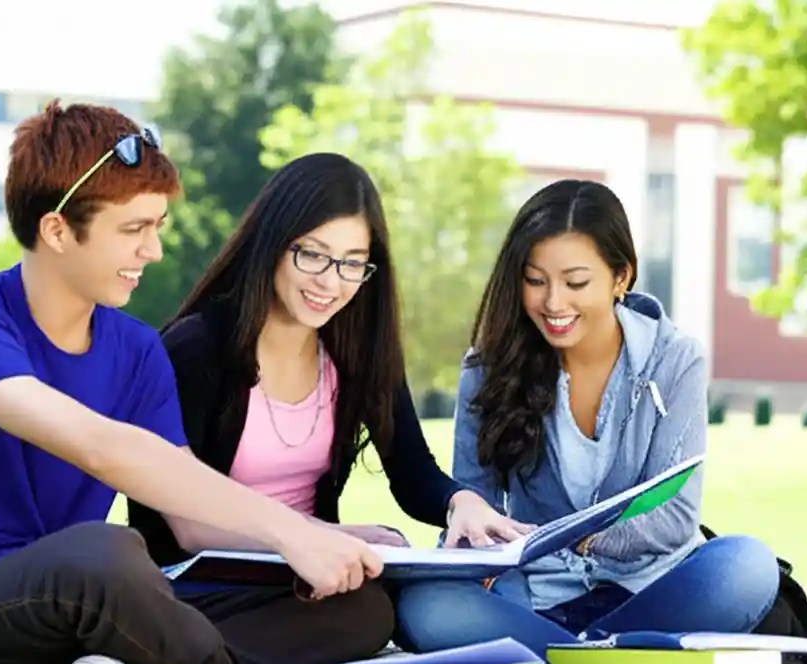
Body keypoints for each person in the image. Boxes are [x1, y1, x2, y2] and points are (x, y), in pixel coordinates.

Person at [0, 101, 387, 664]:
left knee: (359, 606)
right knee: (106, 553)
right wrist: (289, 531)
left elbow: (190, 506)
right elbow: (103, 448)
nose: (154, 251)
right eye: (134, 230)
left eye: (158, 226)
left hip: (77, 603)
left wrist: (324, 538)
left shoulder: (137, 350)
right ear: (58, 230)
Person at [126, 151, 529, 627]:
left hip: (313, 581)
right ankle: (175, 659)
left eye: (352, 264)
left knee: (381, 610)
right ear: (273, 244)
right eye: (313, 255)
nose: (330, 282)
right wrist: (328, 537)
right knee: (365, 619)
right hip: (198, 583)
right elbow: (189, 525)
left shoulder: (358, 351)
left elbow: (413, 473)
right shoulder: (195, 349)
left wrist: (461, 503)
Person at [393, 179, 781, 658]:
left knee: (748, 565)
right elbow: (476, 503)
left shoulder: (675, 360)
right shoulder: (487, 367)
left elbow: (677, 519)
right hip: (532, 600)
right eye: (535, 281)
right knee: (426, 606)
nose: (554, 303)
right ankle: (609, 658)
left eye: (576, 283)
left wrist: (579, 538)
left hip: (646, 590)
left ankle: (565, 658)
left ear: (621, 277)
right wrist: (473, 547)